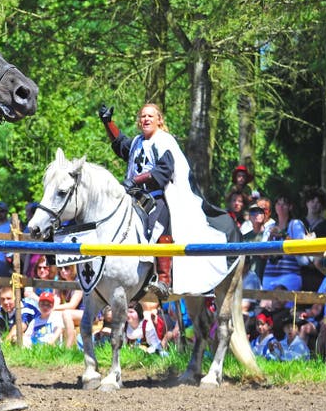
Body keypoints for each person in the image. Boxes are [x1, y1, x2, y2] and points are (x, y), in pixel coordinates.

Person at [98, 103, 226, 299]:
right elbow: (121, 144)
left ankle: (164, 279)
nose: (146, 119)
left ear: (159, 120)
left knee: (160, 219)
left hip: (157, 195)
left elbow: (163, 171)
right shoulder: (137, 142)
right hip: (133, 195)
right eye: (143, 116)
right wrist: (108, 122)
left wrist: (135, 180)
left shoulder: (165, 141)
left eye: (150, 116)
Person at [261, 194, 308, 293]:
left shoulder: (295, 224)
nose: (281, 207)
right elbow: (262, 255)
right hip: (269, 276)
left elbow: (300, 248)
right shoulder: (269, 227)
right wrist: (270, 237)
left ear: (290, 207)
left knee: (283, 301)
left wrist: (283, 235)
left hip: (289, 275)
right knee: (266, 303)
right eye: (278, 204)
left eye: (284, 204)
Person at [55, 264, 85, 348]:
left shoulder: (79, 280)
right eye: (60, 268)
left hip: (87, 313)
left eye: (66, 268)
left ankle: (69, 347)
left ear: (73, 268)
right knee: (54, 314)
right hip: (73, 313)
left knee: (66, 314)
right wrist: (52, 309)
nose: (63, 271)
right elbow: (56, 301)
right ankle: (51, 344)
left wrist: (53, 308)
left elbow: (72, 305)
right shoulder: (59, 281)